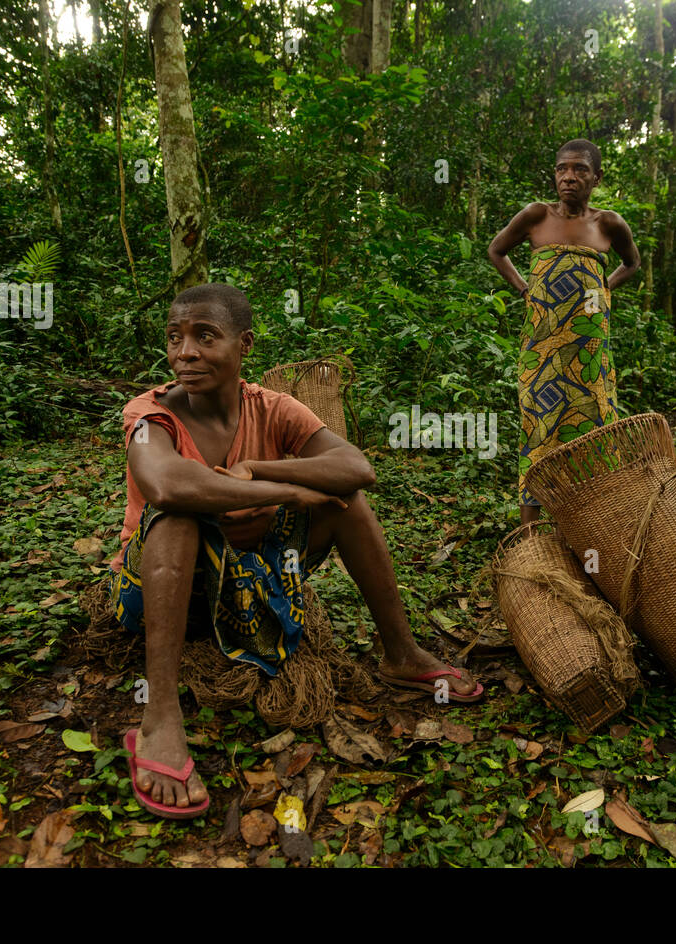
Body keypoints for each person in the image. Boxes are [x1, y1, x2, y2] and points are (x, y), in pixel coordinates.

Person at [106, 282, 481, 818]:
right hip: (161, 592)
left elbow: (357, 468)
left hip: (253, 586)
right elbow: (166, 486)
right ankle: (160, 716)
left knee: (344, 500)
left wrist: (259, 468)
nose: (185, 352)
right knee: (177, 516)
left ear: (245, 344)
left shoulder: (274, 408)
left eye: (205, 336)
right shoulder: (148, 415)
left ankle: (401, 653)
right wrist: (285, 490)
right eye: (175, 337)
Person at [486, 139, 640, 531]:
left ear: (596, 177)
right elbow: (497, 250)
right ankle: (529, 536)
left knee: (593, 424)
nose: (569, 177)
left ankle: (592, 525)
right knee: (539, 424)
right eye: (562, 169)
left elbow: (632, 263)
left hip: (589, 351)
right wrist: (525, 289)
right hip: (542, 348)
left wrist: (601, 289)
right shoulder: (536, 216)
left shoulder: (608, 223)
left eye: (580, 170)